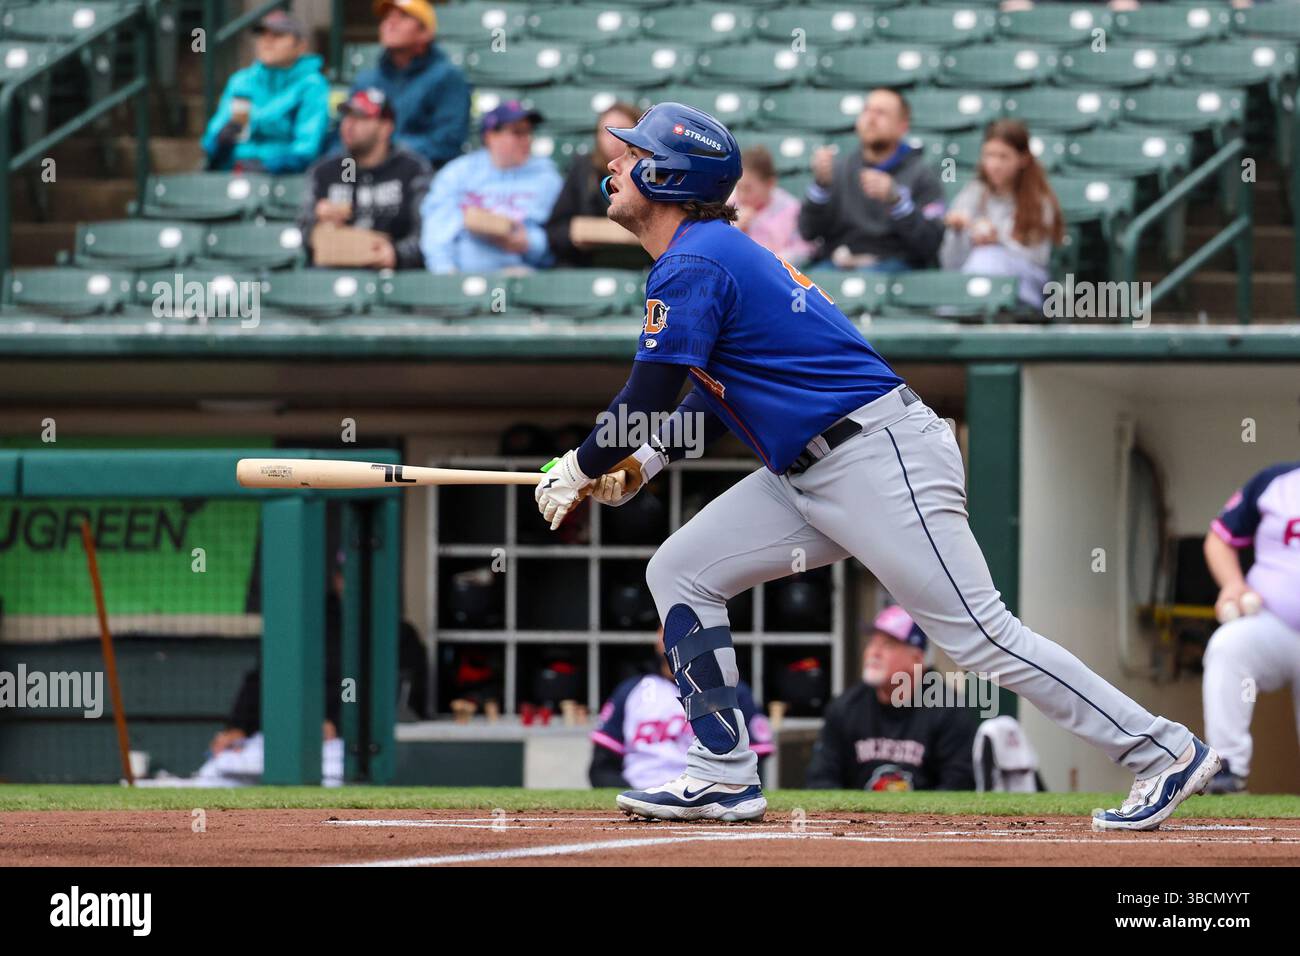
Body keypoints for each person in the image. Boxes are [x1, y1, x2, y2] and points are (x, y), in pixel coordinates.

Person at [531, 101, 1219, 829]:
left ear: (671, 176)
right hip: (808, 470)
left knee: (980, 636)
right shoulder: (708, 253)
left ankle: (1163, 750)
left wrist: (578, 465)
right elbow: (703, 392)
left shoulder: (696, 259)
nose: (613, 162)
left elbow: (651, 388)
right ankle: (722, 774)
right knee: (680, 571)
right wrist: (644, 458)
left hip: (876, 455)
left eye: (633, 155)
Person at [1201, 461, 1300, 794]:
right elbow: (1219, 538)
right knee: (1230, 645)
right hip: (1272, 620)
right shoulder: (1275, 481)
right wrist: (1232, 584)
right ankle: (1226, 770)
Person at [805, 606, 977, 791]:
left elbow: (958, 786)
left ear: (916, 659)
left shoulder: (948, 710)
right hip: (857, 818)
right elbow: (820, 780)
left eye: (888, 645)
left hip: (923, 818)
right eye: (872, 643)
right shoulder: (845, 707)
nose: (874, 653)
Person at [590, 628, 772, 788]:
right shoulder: (631, 690)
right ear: (657, 638)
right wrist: (631, 794)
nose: (675, 638)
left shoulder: (731, 690)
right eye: (666, 630)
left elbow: (755, 760)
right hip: (640, 788)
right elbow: (601, 766)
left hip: (702, 792)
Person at [797, 88, 945, 271]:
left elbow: (930, 244)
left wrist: (897, 202)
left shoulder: (922, 175)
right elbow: (808, 231)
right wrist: (821, 187)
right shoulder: (839, 169)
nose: (871, 118)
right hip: (838, 264)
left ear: (902, 126)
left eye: (881, 113)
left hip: (894, 269)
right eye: (866, 110)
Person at [419, 101, 563, 274]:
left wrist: (530, 242)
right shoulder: (458, 173)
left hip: (523, 275)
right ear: (490, 137)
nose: (527, 139)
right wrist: (447, 276)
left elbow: (559, 236)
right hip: (462, 275)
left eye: (529, 132)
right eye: (517, 132)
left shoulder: (547, 177)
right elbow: (436, 233)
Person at [300, 88, 432, 270]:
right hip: (334, 271)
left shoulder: (411, 169)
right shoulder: (325, 171)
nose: (349, 124)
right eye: (346, 116)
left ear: (386, 127)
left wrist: (397, 254)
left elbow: (428, 232)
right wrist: (317, 219)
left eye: (361, 117)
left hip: (394, 275)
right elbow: (300, 236)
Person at [939, 120, 1063, 310]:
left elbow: (1039, 258)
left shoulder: (1040, 200)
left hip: (1026, 286)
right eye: (989, 155)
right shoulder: (973, 192)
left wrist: (998, 241)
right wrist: (957, 233)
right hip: (975, 280)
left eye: (1003, 157)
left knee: (985, 257)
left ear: (1023, 159)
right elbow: (951, 264)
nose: (995, 164)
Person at [200, 10, 329, 174]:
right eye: (262, 34)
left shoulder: (312, 85)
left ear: (301, 46)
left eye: (278, 34)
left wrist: (269, 167)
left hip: (284, 181)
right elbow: (210, 141)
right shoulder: (241, 81)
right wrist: (219, 140)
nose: (268, 40)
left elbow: (306, 148)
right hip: (233, 175)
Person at [351, 0, 470, 171]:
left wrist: (386, 151)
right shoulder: (366, 80)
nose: (390, 23)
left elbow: (447, 142)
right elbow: (346, 134)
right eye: (386, 18)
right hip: (367, 175)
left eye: (402, 17)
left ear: (425, 33)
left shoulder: (448, 77)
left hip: (422, 176)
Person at [545, 102, 653, 270]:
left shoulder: (651, 170)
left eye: (622, 130)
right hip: (589, 264)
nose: (614, 139)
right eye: (606, 131)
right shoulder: (583, 169)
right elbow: (555, 231)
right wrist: (575, 236)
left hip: (642, 265)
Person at [731, 146, 815, 267]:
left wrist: (772, 262)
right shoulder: (728, 205)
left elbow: (803, 249)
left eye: (748, 188)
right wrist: (735, 227)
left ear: (770, 183)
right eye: (739, 188)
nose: (742, 195)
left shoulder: (791, 209)